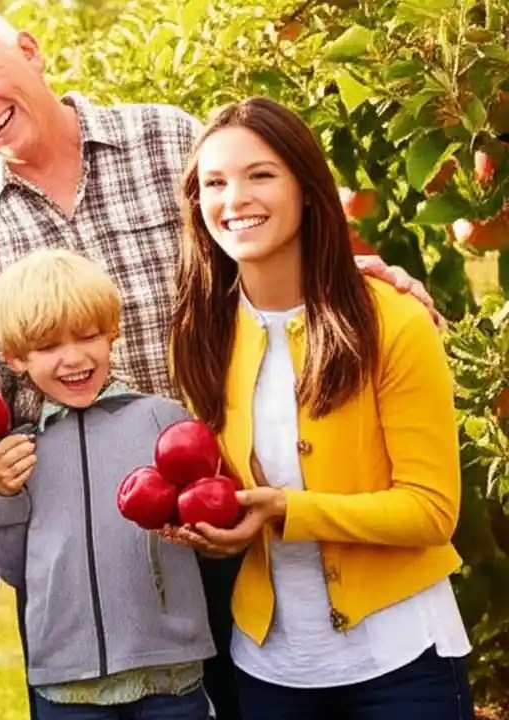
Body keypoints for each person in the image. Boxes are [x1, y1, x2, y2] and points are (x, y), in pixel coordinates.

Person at [0, 9, 442, 719]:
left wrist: (352, 271)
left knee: (237, 696)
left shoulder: (164, 137)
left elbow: (255, 229)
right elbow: (0, 384)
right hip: (94, 542)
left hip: (219, 494)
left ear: (31, 53)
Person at [163, 96, 473, 720]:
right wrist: (212, 529)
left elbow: (432, 510)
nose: (235, 199)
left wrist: (286, 510)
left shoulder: (392, 320)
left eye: (261, 175)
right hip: (270, 668)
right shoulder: (202, 332)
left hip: (400, 660)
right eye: (215, 183)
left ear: (307, 189)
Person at [0, 247, 215, 720]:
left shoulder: (162, 422)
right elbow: (14, 571)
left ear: (112, 332)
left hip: (168, 671)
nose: (73, 358)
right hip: (68, 685)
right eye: (48, 347)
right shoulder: (23, 451)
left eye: (87, 336)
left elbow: (210, 529)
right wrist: (1, 495)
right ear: (15, 358)